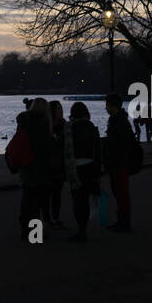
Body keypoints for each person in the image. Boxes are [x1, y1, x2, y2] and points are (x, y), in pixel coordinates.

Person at [12, 99, 55, 240]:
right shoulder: (43, 125)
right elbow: (46, 150)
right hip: (40, 169)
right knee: (37, 204)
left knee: (27, 200)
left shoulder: (23, 123)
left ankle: (26, 230)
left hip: (26, 167)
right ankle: (34, 234)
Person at [65, 102, 101, 241]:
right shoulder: (91, 127)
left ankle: (81, 229)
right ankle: (83, 227)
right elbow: (97, 150)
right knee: (85, 199)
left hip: (75, 167)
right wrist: (98, 171)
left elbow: (66, 149)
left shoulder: (70, 128)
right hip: (90, 167)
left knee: (77, 200)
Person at [102, 92, 136, 232]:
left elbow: (118, 144)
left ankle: (123, 222)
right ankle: (122, 220)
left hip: (119, 162)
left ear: (112, 105)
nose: (106, 108)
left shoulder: (118, 122)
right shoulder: (121, 120)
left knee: (121, 193)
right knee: (120, 193)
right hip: (119, 162)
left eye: (107, 105)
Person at [45, 100, 68, 227]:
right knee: (48, 193)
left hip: (60, 163)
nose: (61, 111)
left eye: (61, 109)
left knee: (57, 193)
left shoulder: (64, 125)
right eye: (58, 109)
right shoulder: (48, 126)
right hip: (49, 164)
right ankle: (49, 219)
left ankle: (55, 218)